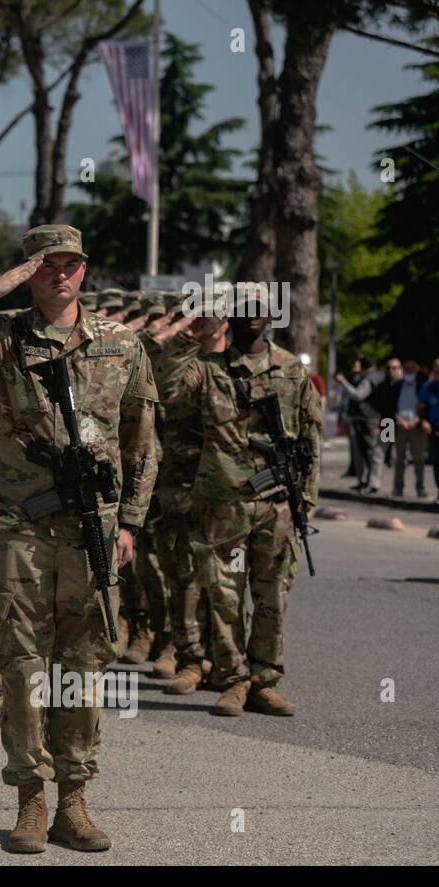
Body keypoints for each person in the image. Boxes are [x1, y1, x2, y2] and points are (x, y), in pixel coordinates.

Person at [0, 225, 159, 853]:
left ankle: (74, 797)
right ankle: (30, 798)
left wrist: (130, 520)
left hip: (90, 530)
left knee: (84, 667)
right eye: (46, 266)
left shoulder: (122, 345)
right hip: (17, 526)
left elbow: (142, 438)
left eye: (70, 265)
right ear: (29, 271)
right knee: (21, 666)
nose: (60, 276)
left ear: (85, 271)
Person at [155, 286, 321, 718]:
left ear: (271, 316)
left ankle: (265, 680)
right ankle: (232, 680)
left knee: (272, 597)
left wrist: (308, 501)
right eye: (243, 309)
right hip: (223, 505)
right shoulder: (207, 369)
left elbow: (310, 440)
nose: (252, 316)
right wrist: (187, 336)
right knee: (225, 597)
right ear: (229, 315)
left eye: (260, 309)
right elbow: (166, 390)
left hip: (277, 507)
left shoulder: (291, 371)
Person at [335, 357, 384, 493]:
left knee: (375, 451)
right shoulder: (366, 377)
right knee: (366, 452)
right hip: (368, 419)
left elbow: (358, 396)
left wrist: (343, 382)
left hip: (374, 420)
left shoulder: (369, 378)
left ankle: (373, 483)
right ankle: (365, 481)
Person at [387, 359, 427, 498]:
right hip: (400, 425)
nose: (409, 373)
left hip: (416, 425)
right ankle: (398, 488)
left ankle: (420, 487)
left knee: (419, 459)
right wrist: (399, 420)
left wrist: (417, 420)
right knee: (399, 460)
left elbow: (424, 405)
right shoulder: (397, 386)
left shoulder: (421, 385)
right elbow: (391, 406)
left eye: (412, 370)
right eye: (407, 370)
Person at [418, 359, 439, 505]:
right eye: (436, 371)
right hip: (434, 430)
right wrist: (423, 421)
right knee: (437, 464)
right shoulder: (428, 387)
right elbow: (421, 408)